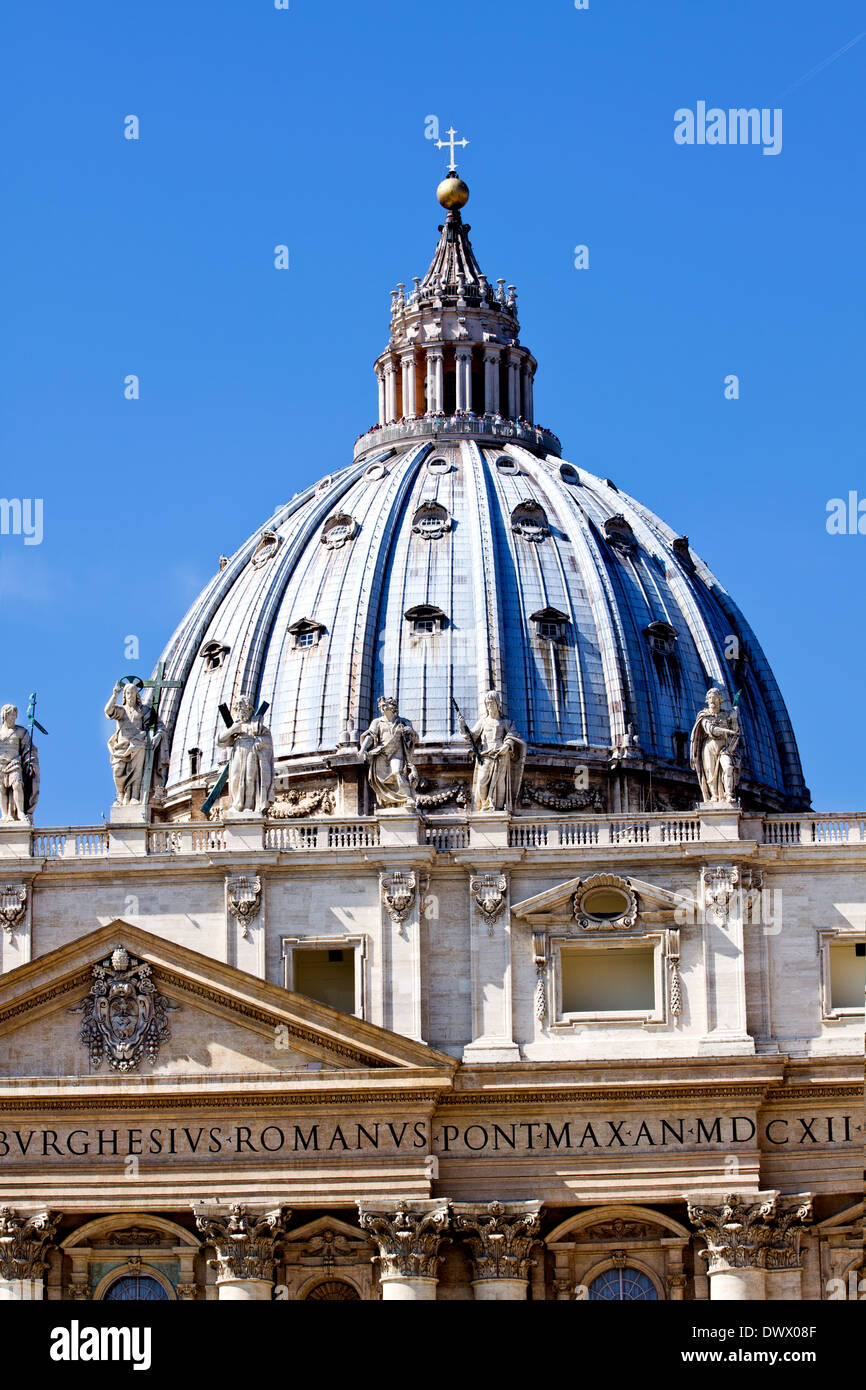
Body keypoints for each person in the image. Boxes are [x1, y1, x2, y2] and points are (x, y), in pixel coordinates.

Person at [458, 690, 526, 812]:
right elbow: (472, 736)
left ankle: (498, 808)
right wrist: (463, 726)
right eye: (488, 704)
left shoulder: (505, 722)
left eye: (492, 704)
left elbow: (512, 735)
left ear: (498, 704)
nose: (490, 706)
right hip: (485, 755)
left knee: (500, 782)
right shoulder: (483, 722)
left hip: (501, 754)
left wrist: (507, 745)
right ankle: (485, 805)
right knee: (482, 780)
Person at [217, 696, 275, 815]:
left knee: (250, 778)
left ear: (249, 709)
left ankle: (248, 806)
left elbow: (267, 738)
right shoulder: (236, 727)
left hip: (252, 751)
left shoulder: (256, 725)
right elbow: (220, 741)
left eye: (243, 708)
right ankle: (237, 805)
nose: (240, 711)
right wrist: (232, 730)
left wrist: (259, 742)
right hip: (238, 751)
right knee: (234, 778)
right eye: (238, 709)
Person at [359, 697, 418, 809]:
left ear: (392, 707)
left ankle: (407, 797)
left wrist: (411, 732)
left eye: (384, 705)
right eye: (380, 706)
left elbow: (416, 739)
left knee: (396, 772)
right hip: (381, 754)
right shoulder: (377, 722)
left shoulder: (404, 722)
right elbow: (370, 737)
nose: (381, 708)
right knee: (381, 779)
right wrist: (362, 750)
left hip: (397, 753)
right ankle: (389, 802)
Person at [690, 687, 741, 805]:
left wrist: (734, 718)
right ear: (707, 700)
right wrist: (727, 731)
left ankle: (728, 795)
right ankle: (714, 796)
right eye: (710, 698)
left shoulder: (726, 715)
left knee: (728, 767)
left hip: (724, 749)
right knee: (710, 773)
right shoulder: (704, 716)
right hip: (709, 747)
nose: (712, 700)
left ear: (720, 700)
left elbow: (736, 731)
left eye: (715, 698)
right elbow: (711, 730)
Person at [105, 682, 150, 805]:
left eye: (132, 693)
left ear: (137, 695)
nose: (130, 696)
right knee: (117, 769)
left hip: (138, 745)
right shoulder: (121, 710)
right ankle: (120, 794)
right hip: (121, 746)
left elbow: (150, 725)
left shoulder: (142, 710)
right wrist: (114, 695)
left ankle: (134, 796)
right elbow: (108, 711)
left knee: (136, 771)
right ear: (124, 695)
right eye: (128, 693)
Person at [0, 704, 39, 823]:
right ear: (4, 716)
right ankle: (5, 815)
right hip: (1, 764)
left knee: (17, 785)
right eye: (10, 716)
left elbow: (28, 749)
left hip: (14, 762)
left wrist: (30, 761)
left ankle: (20, 812)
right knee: (1, 789)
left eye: (14, 716)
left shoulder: (21, 732)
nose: (12, 718)